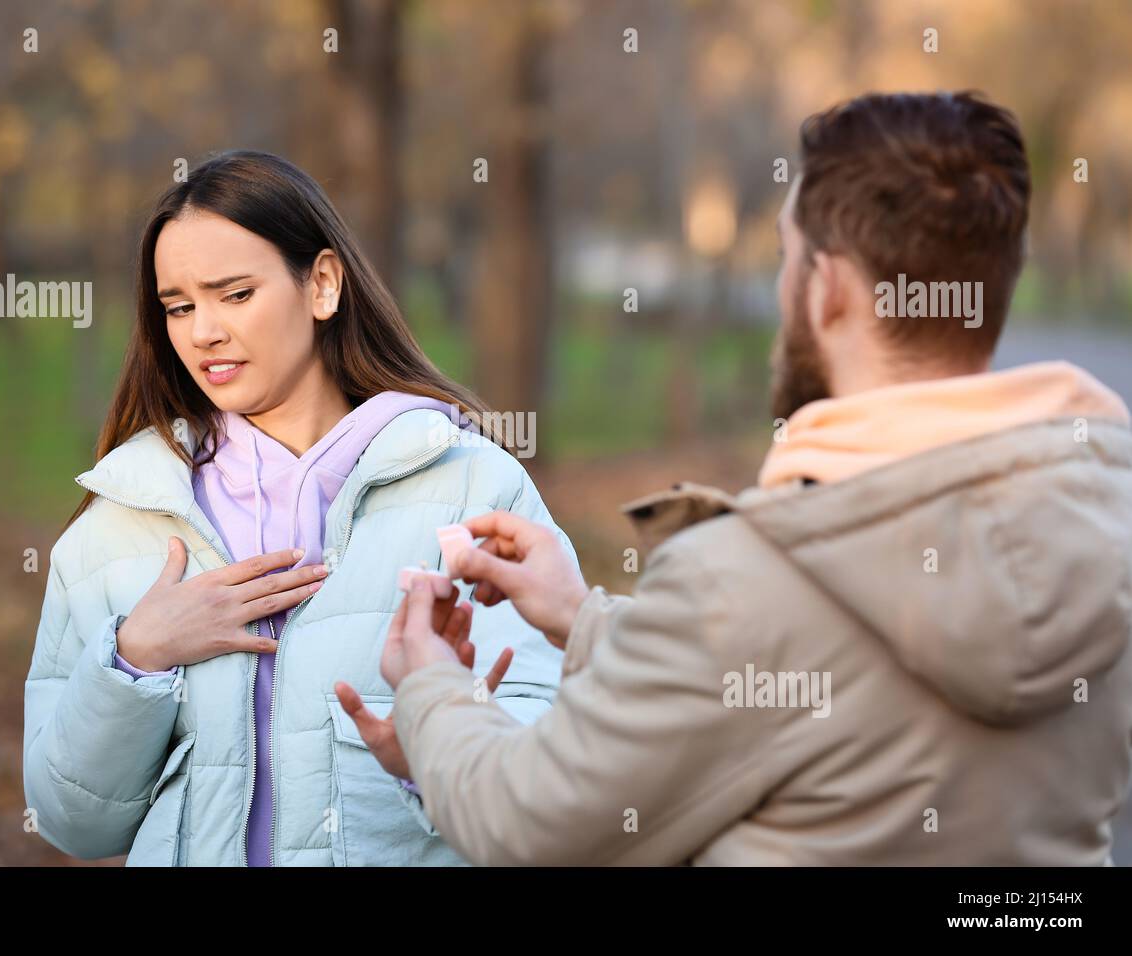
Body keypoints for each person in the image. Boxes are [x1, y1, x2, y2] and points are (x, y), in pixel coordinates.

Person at [343, 91, 1132, 864]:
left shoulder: (743, 587)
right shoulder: (1099, 531)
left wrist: (433, 691)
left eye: (789, 261)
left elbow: (526, 825)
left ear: (828, 291)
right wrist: (580, 617)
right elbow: (816, 678)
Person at [23, 151, 574, 866]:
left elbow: (553, 784)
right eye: (179, 307)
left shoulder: (474, 491)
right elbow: (72, 822)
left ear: (320, 285)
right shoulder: (117, 527)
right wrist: (135, 661)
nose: (203, 332)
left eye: (235, 295)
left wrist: (429, 751)